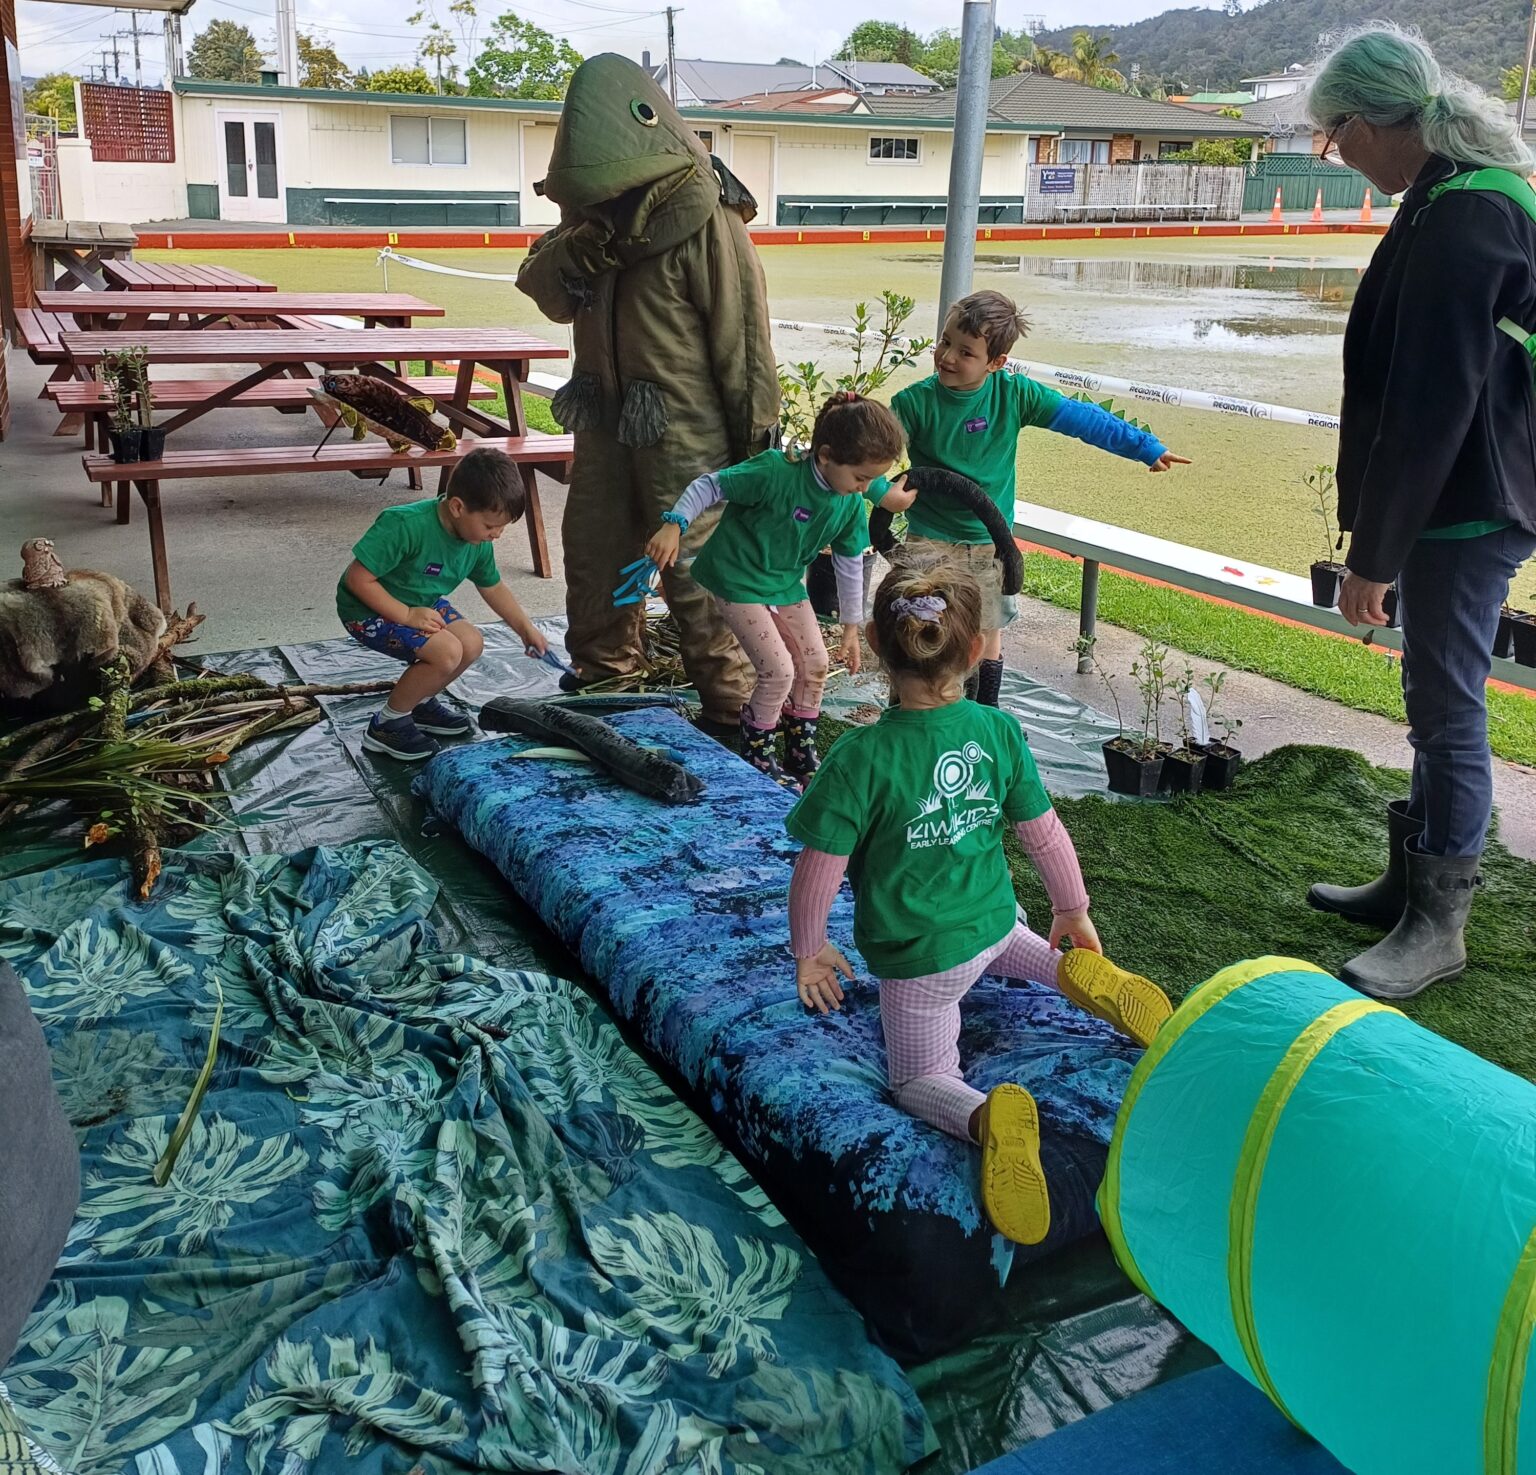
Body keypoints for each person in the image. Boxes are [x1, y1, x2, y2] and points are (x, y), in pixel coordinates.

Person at [783, 562, 1172, 1244]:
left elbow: (818, 871)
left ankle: (986, 1116)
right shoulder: (999, 732)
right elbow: (1044, 834)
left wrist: (810, 951)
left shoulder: (858, 758)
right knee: (1010, 945)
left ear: (875, 642)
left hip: (922, 963)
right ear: (972, 652)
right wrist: (1073, 910)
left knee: (918, 1077)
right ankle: (1073, 971)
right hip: (998, 924)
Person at [1302, 25, 1536, 999]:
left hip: (1464, 505)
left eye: (1332, 138)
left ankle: (1439, 923)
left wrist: (1374, 556)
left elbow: (1429, 401)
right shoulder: (1452, 192)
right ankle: (1413, 879)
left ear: (1367, 122)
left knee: (1448, 710)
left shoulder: (1463, 216)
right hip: (1470, 490)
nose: (1336, 156)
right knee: (1432, 700)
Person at [516, 54, 779, 731]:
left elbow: (743, 346)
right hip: (605, 421)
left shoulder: (708, 222)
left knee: (701, 580)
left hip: (688, 437)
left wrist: (756, 454)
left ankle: (738, 714)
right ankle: (607, 689)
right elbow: (543, 289)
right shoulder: (591, 226)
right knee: (597, 554)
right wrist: (579, 247)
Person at [891, 289, 1188, 707]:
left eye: (965, 352)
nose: (947, 357)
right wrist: (881, 495)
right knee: (916, 625)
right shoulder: (913, 403)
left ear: (996, 363)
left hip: (988, 542)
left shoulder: (1015, 395)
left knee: (985, 631)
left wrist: (1145, 448)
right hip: (928, 539)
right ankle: (904, 712)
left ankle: (985, 713)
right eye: (944, 342)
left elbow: (1083, 419)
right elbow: (870, 457)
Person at [647, 392, 907, 787]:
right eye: (861, 477)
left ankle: (800, 751)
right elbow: (708, 486)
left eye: (872, 480)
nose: (866, 488)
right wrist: (673, 523)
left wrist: (853, 628)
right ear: (824, 456)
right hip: (737, 579)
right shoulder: (774, 473)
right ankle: (757, 753)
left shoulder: (848, 504)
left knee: (816, 664)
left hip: (783, 583)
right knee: (779, 670)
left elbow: (851, 564)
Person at [338, 448, 548, 762]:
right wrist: (407, 615)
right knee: (446, 651)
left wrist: (525, 628)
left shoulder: (476, 542)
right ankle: (387, 725)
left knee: (471, 642)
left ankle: (420, 702)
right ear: (458, 507)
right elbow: (357, 579)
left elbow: (493, 587)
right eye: (491, 526)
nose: (497, 535)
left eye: (503, 528)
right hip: (367, 611)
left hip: (420, 602)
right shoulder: (404, 525)